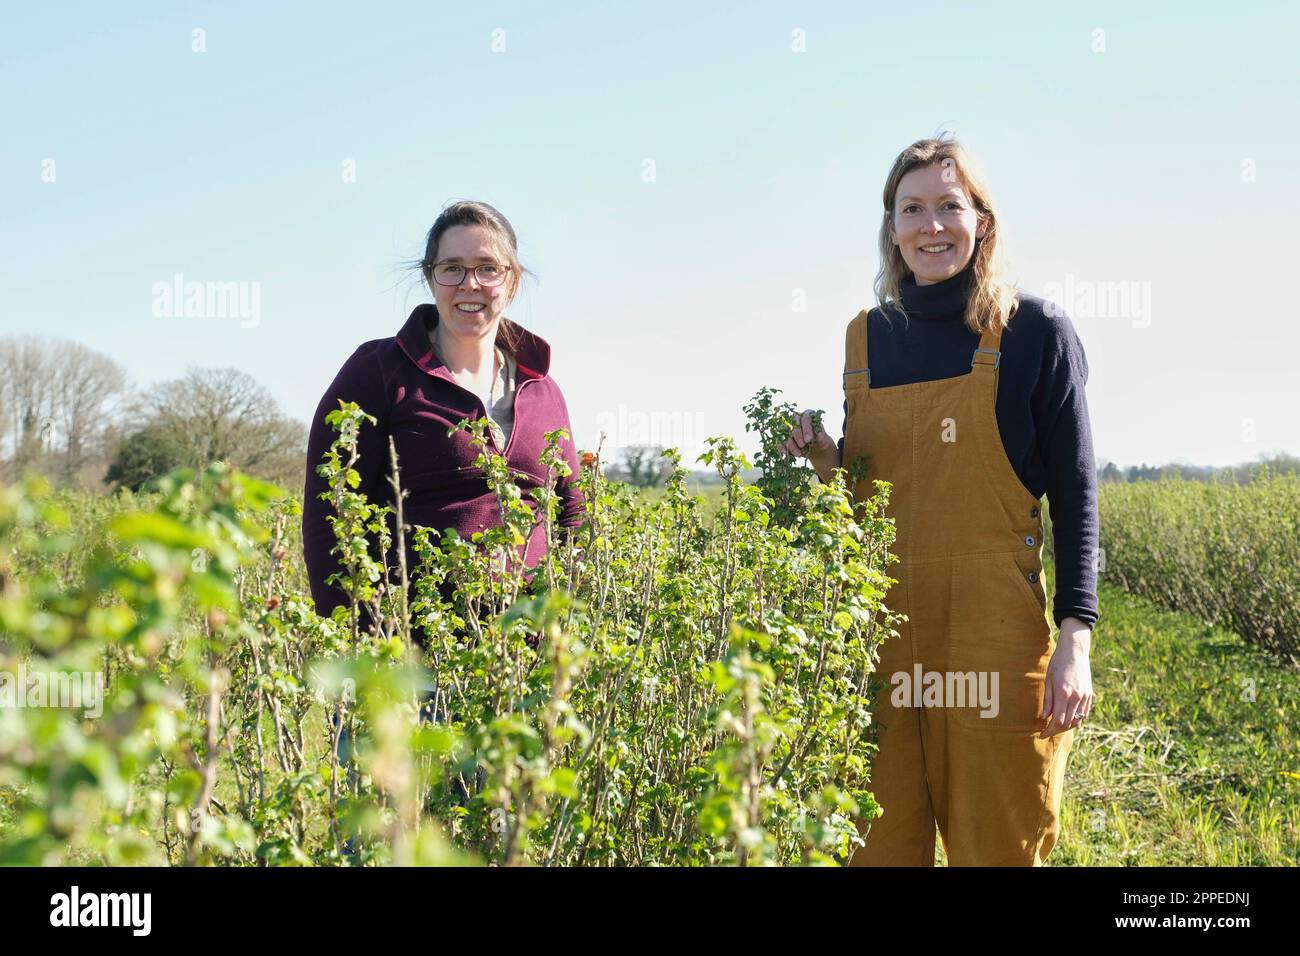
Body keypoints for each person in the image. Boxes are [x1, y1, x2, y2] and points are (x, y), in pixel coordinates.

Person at [785, 135, 1098, 866]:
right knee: (875, 846)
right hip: (877, 642)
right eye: (913, 209)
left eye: (949, 207)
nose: (932, 227)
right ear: (891, 228)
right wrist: (827, 460)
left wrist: (1074, 639)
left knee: (1000, 844)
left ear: (982, 220)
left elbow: (1078, 493)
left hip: (992, 639)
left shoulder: (1033, 332)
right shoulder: (867, 339)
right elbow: (863, 502)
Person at [301, 199, 586, 644]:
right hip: (414, 659)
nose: (470, 284)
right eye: (452, 268)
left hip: (526, 661)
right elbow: (329, 515)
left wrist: (566, 635)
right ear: (429, 276)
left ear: (511, 281)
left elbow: (571, 515)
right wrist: (360, 653)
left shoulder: (544, 389)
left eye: (487, 268)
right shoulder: (378, 371)